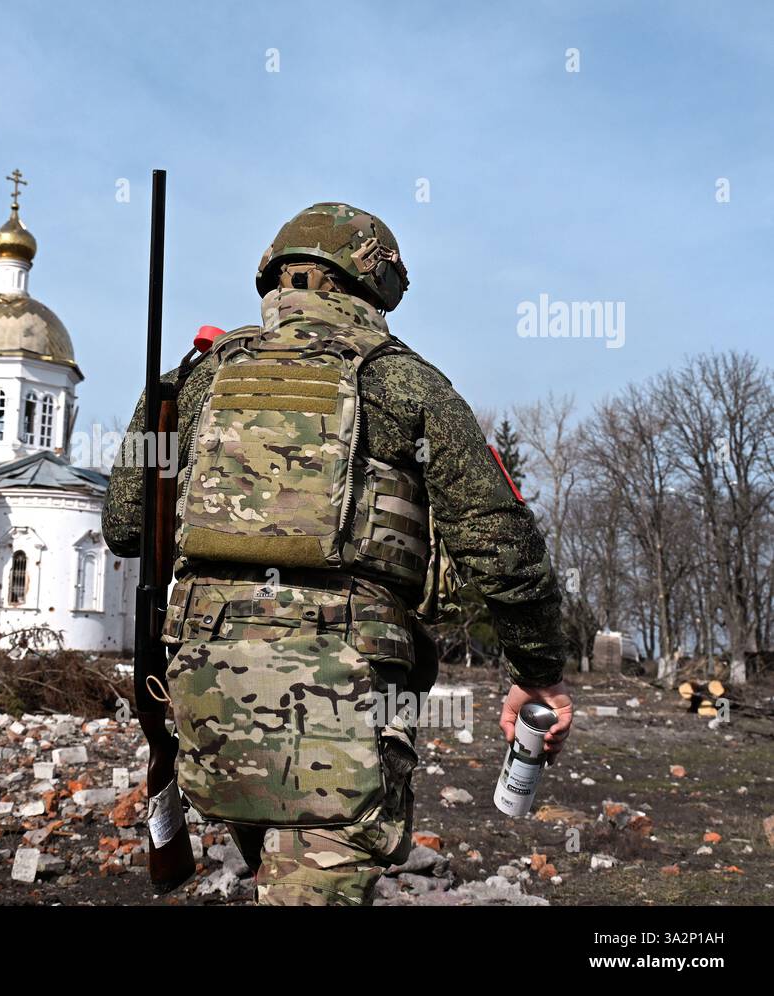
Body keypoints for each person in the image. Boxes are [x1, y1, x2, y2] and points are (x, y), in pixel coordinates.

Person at [103, 202, 573, 905]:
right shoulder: (405, 381)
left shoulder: (195, 381)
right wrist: (537, 672)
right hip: (346, 694)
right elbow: (499, 545)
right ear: (376, 285)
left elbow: (124, 527)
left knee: (275, 874)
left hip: (208, 690)